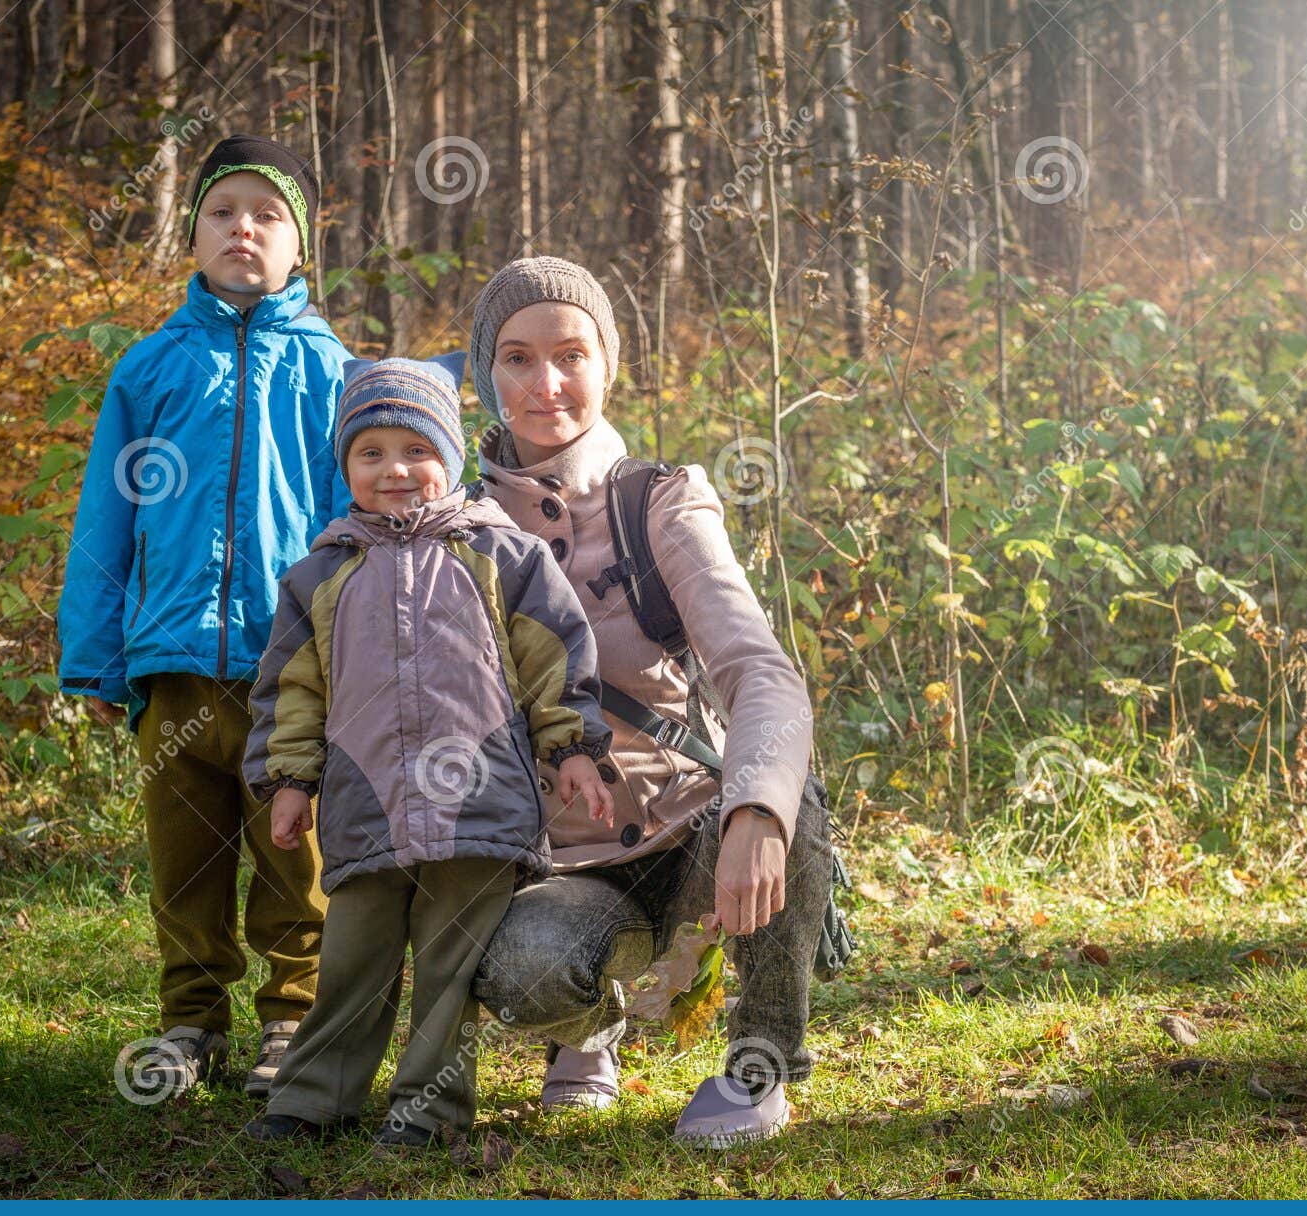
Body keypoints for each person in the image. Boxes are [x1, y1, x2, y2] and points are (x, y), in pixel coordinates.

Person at [466, 256, 833, 1148]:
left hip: (688, 826)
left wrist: (755, 811)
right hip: (560, 862)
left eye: (572, 354)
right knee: (524, 974)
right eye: (517, 358)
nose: (547, 383)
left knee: (790, 800)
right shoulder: (457, 523)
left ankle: (760, 1064)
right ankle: (585, 1032)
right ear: (485, 373)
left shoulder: (658, 500)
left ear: (608, 362)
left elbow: (762, 675)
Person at [240, 354, 614, 1147]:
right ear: (345, 467)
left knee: (449, 971)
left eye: (416, 450)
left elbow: (557, 662)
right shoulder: (320, 576)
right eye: (370, 453)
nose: (396, 470)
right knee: (351, 963)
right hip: (364, 801)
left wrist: (573, 746)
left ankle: (428, 1112)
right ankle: (310, 1099)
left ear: (449, 456)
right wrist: (289, 781)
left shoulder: (504, 556)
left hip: (479, 803)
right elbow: (292, 691)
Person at [57, 135, 354, 1097]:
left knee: (291, 854)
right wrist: (95, 658)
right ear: (193, 235)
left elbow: (358, 521)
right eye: (223, 212)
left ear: (299, 247)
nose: (244, 230)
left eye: (268, 216)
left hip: (294, 671)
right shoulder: (149, 371)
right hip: (171, 662)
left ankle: (291, 1017)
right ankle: (190, 1018)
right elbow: (106, 521)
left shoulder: (334, 373)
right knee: (183, 860)